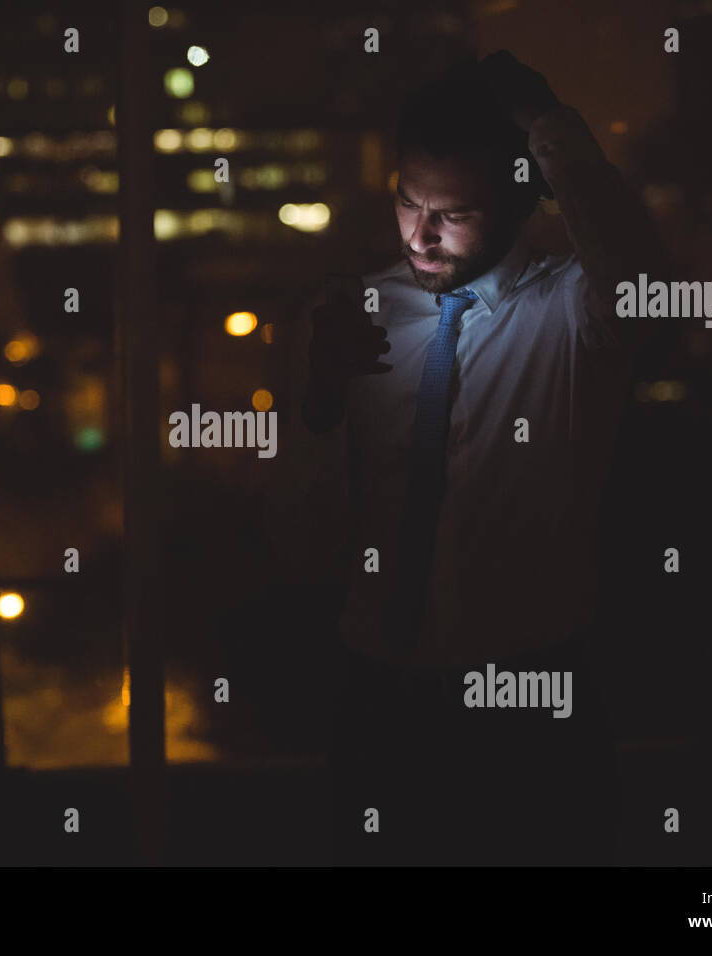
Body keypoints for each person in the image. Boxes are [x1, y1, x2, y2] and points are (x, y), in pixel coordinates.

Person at [267, 52, 668, 865]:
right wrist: (320, 398)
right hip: (377, 689)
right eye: (408, 203)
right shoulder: (348, 315)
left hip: (530, 693)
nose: (421, 234)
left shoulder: (569, 313)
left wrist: (547, 126)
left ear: (521, 206)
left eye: (456, 213)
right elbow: (291, 533)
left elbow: (640, 278)